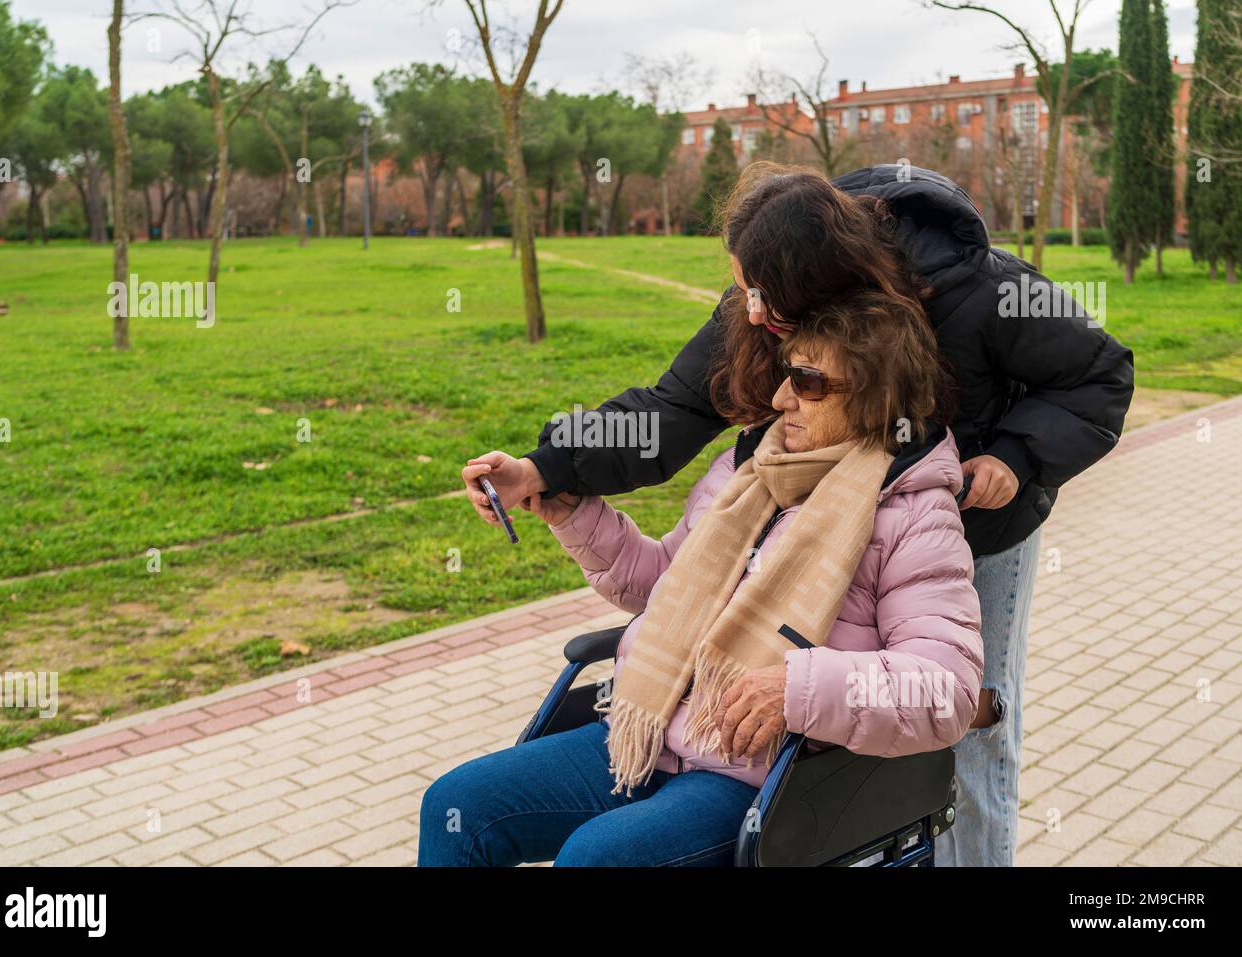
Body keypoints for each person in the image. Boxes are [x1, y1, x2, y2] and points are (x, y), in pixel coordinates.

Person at [461, 162, 1135, 866]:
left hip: (968, 517)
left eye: (764, 297)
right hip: (812, 498)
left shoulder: (983, 288)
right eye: (744, 289)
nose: (751, 312)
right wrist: (547, 467)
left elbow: (1102, 376)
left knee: (967, 727)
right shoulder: (770, 300)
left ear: (823, 284)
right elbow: (673, 408)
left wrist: (1017, 457)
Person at [418, 287, 982, 866]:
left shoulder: (914, 514)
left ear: (876, 397)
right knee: (455, 806)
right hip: (650, 727)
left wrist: (798, 687)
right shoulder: (748, 468)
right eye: (787, 373)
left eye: (810, 383)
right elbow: (661, 583)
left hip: (762, 777)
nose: (784, 397)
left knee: (598, 858)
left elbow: (947, 688)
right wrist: (571, 512)